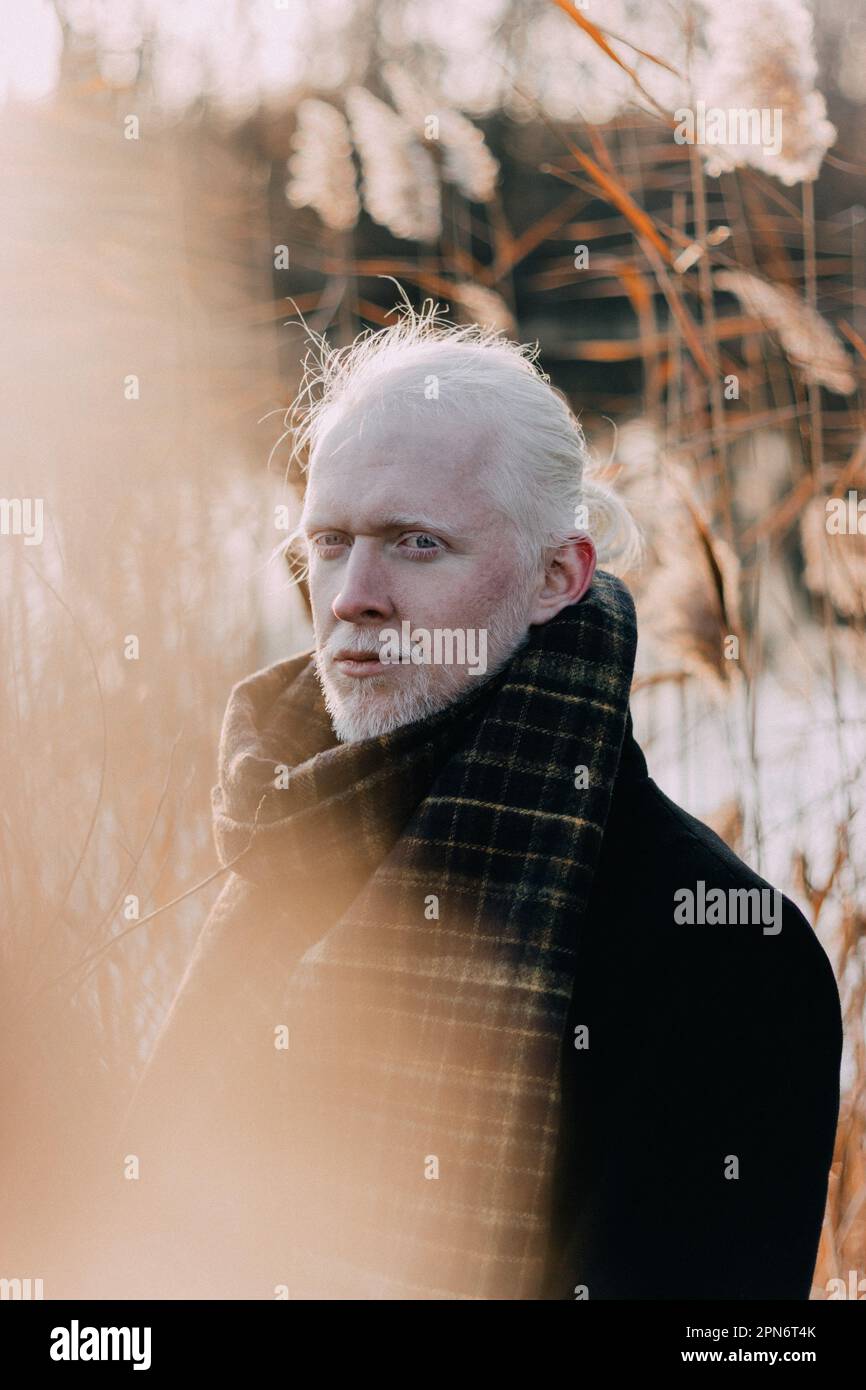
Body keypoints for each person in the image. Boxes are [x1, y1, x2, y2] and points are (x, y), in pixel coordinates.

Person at [112, 299, 842, 1301]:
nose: (353, 594)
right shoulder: (287, 844)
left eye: (415, 543)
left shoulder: (723, 954)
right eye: (328, 542)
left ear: (556, 574)